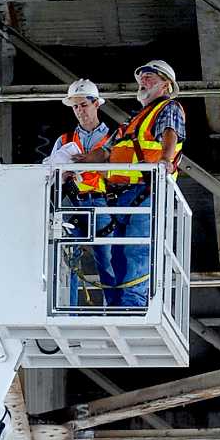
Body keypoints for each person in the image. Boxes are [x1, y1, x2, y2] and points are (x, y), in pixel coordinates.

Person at [80, 59, 186, 310]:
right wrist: (79, 160)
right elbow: (105, 152)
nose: (143, 81)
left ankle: (133, 305)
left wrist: (164, 161)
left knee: (136, 249)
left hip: (146, 191)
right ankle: (118, 306)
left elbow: (170, 133)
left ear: (166, 85)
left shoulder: (168, 108)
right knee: (117, 253)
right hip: (122, 196)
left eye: (150, 77)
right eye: (142, 78)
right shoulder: (134, 121)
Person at [42, 79, 111, 308]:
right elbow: (49, 174)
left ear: (96, 104)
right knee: (69, 260)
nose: (80, 111)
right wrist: (60, 175)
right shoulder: (64, 141)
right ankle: (67, 311)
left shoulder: (113, 139)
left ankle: (115, 310)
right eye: (76, 107)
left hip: (102, 202)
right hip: (71, 203)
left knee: (107, 259)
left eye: (83, 105)